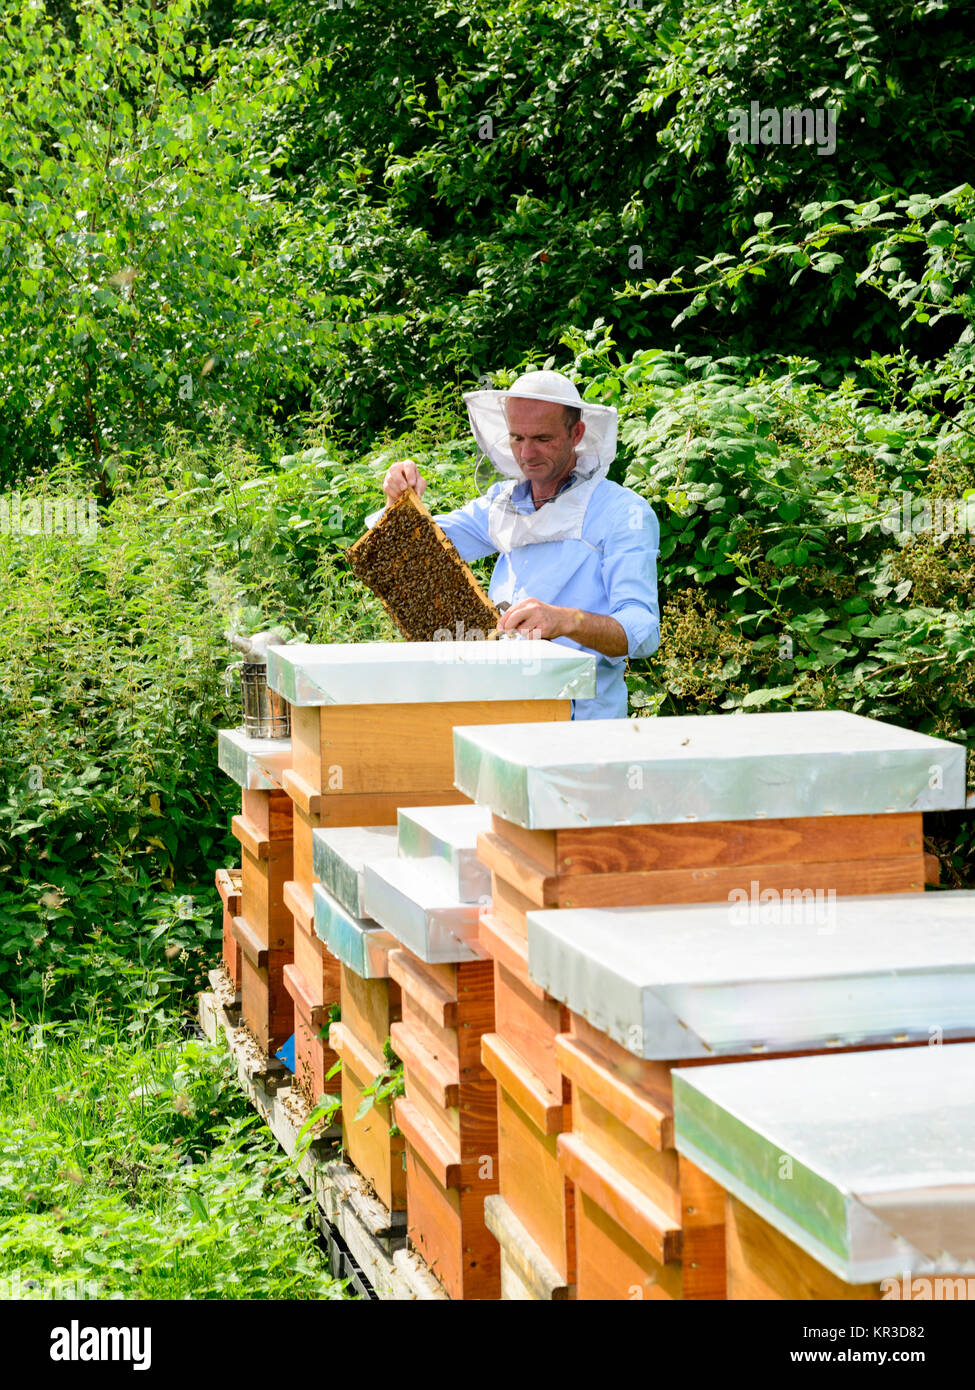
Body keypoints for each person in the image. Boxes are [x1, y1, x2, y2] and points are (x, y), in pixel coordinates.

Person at [382, 370, 660, 719]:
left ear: (577, 433)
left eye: (543, 438)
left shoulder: (623, 513)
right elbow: (410, 549)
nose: (526, 453)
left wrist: (565, 620)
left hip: (584, 725)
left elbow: (642, 631)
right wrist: (400, 498)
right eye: (517, 438)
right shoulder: (503, 502)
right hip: (503, 708)